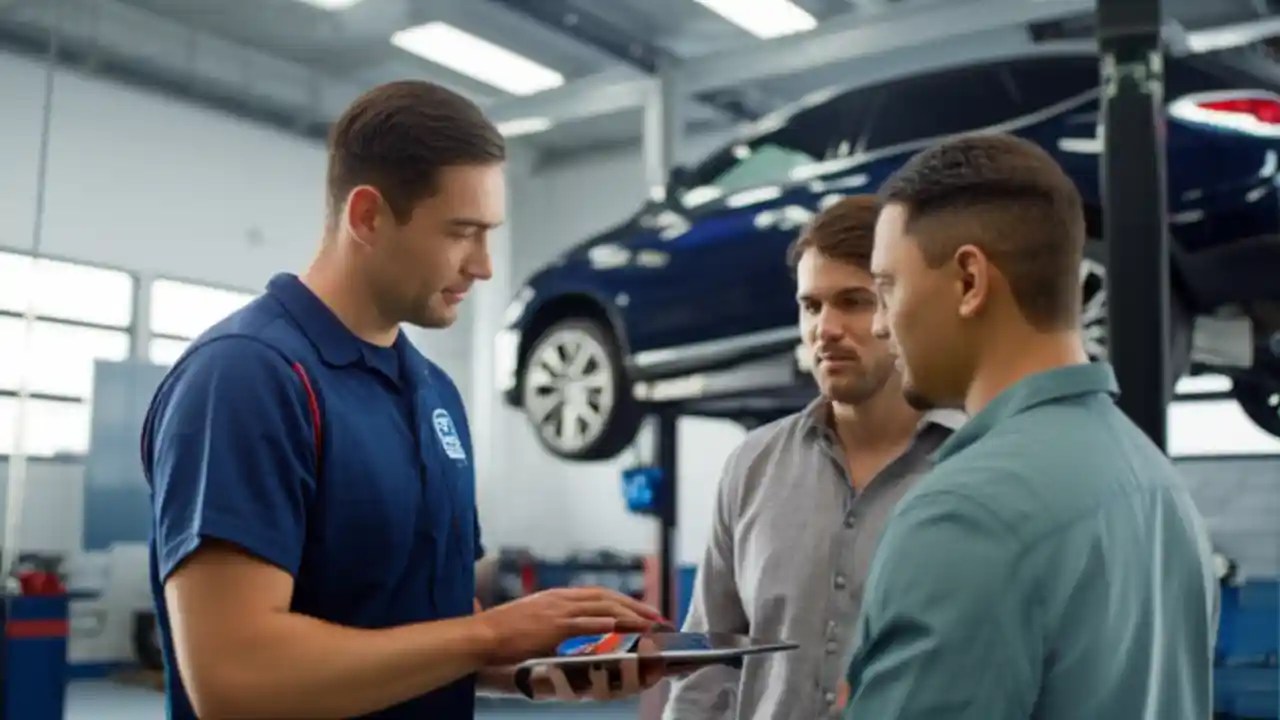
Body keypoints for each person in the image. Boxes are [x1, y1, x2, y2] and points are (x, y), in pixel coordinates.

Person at [140, 80, 668, 720]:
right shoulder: (247, 378)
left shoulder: (434, 394)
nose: (483, 266)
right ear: (367, 216)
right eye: (461, 232)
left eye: (489, 235)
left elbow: (431, 633)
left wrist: (545, 669)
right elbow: (235, 679)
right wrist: (491, 633)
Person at [844, 132, 1218, 719]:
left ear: (969, 281)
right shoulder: (1158, 485)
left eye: (887, 288)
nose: (881, 326)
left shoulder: (969, 512)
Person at [663, 195, 965, 720]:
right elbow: (709, 662)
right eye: (811, 305)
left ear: (905, 305)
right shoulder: (752, 467)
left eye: (854, 301)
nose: (825, 329)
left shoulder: (976, 467)